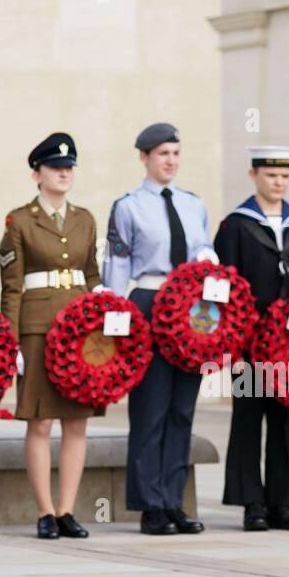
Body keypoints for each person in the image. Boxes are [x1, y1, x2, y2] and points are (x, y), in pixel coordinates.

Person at [103, 122, 217, 536]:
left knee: (182, 409)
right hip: (149, 303)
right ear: (144, 158)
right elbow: (116, 265)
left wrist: (211, 269)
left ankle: (175, 500)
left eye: (175, 153)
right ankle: (150, 504)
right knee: (150, 408)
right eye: (162, 154)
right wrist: (114, 323)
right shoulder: (129, 205)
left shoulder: (193, 204)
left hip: (190, 309)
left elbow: (202, 247)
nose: (170, 161)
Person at [0, 132, 101, 540]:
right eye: (55, 168)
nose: (63, 173)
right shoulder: (20, 220)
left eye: (68, 167)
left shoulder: (85, 219)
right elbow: (12, 285)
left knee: (77, 422)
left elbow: (91, 274)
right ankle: (44, 510)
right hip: (38, 328)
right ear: (36, 174)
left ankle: (67, 509)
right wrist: (10, 339)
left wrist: (102, 317)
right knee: (40, 422)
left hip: (79, 329)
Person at [215, 146, 289, 532]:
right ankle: (251, 503)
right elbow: (225, 286)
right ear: (254, 175)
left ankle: (281, 503)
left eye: (284, 177)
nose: (278, 183)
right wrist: (233, 347)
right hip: (250, 343)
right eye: (271, 176)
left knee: (284, 421)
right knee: (247, 420)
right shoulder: (236, 225)